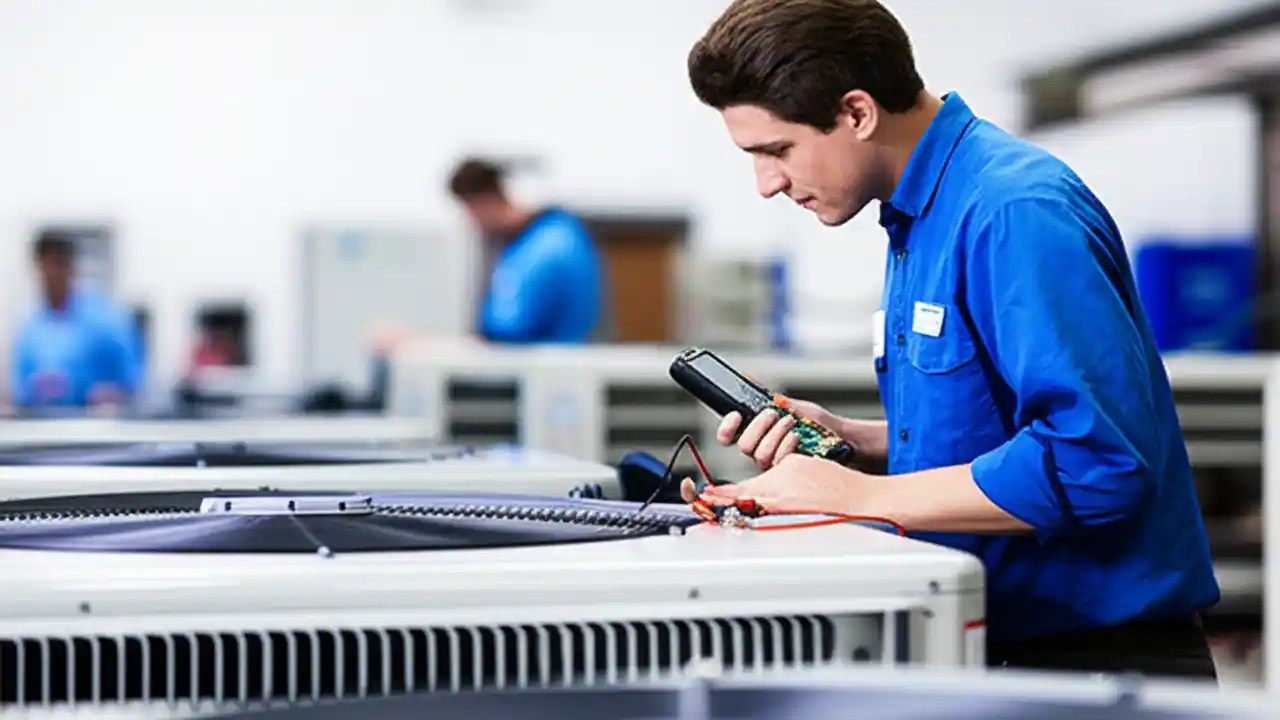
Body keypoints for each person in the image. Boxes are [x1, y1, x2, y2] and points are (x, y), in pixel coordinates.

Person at [680, 0, 1219, 680]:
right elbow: (996, 420)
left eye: (776, 150)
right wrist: (858, 440)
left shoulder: (1014, 211)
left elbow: (1097, 463)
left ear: (856, 113)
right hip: (998, 644)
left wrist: (851, 494)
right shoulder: (919, 216)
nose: (767, 184)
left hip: (1096, 663)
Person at [448, 158, 605, 344]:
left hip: (547, 365)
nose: (470, 221)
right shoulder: (557, 234)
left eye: (470, 211)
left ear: (485, 201)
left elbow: (507, 330)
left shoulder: (545, 247)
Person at [10, 231, 141, 410]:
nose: (52, 274)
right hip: (43, 427)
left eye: (58, 265)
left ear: (71, 268)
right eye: (46, 266)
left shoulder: (106, 319)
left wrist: (112, 394)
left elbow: (133, 378)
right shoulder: (31, 329)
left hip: (96, 428)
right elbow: (21, 390)